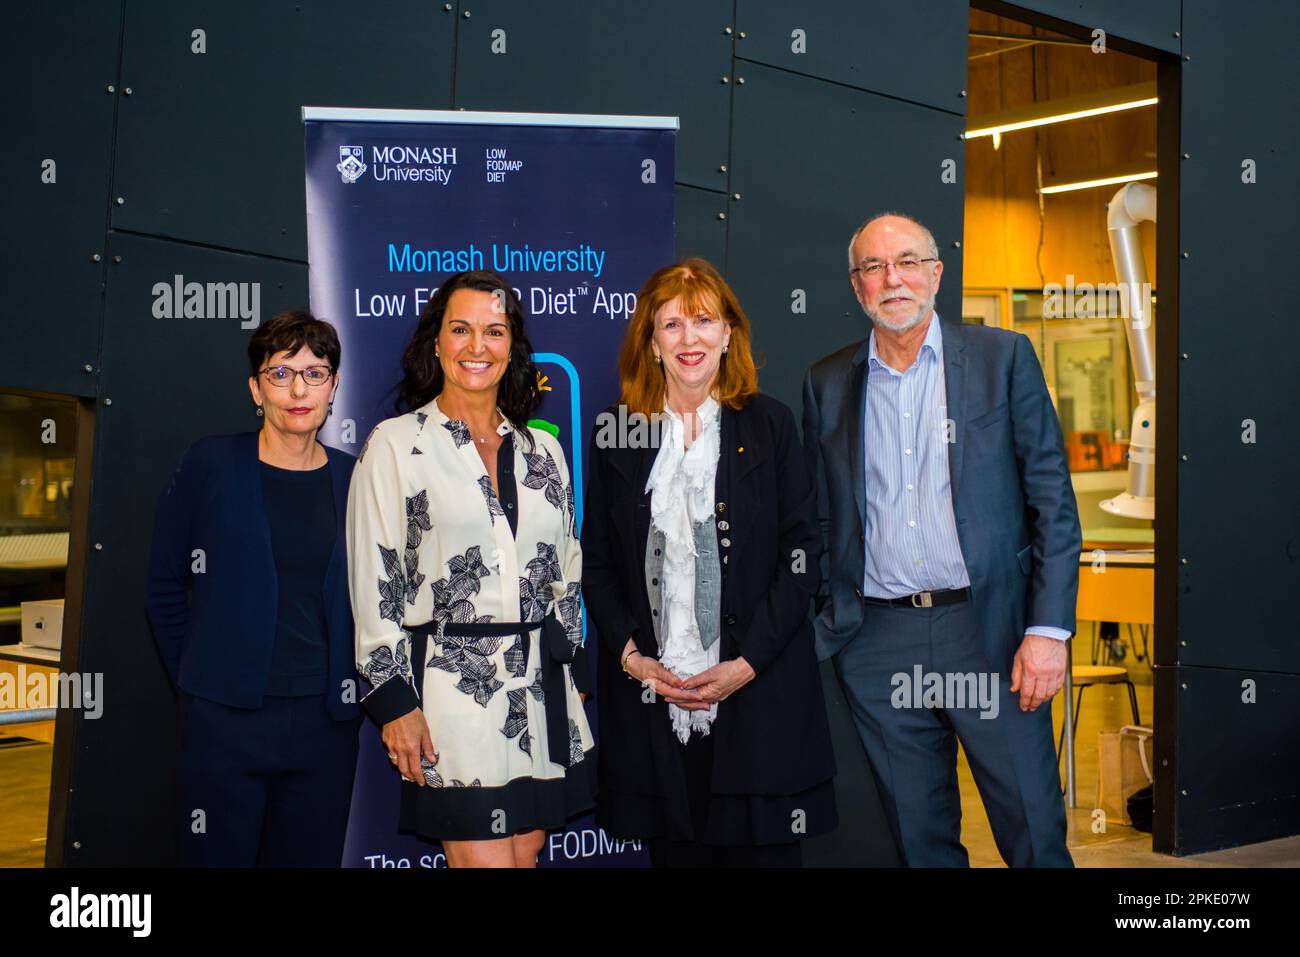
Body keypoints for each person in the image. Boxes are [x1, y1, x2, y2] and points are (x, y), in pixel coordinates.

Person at [803, 212, 1082, 867]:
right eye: (873, 267)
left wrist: (1049, 629)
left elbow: (1053, 502)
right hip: (876, 643)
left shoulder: (1001, 358)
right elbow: (819, 518)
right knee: (917, 843)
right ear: (856, 287)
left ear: (936, 272)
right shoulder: (827, 383)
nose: (891, 278)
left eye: (906, 261)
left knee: (1036, 837)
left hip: (989, 635)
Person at [583, 257, 836, 867]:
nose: (688, 339)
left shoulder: (770, 424)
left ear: (729, 335)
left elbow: (802, 556)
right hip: (654, 707)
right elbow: (595, 564)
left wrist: (744, 665)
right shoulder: (617, 431)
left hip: (758, 702)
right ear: (650, 343)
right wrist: (635, 661)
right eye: (670, 325)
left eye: (703, 322)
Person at [346, 270, 595, 868]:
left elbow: (565, 568)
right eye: (461, 330)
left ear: (512, 346)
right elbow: (374, 580)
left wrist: (572, 669)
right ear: (437, 342)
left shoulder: (543, 450)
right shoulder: (397, 444)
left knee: (525, 855)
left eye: (494, 331)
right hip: (450, 695)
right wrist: (393, 702)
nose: (477, 347)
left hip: (540, 690)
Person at [146, 309, 362, 866]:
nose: (298, 388)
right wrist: (200, 683)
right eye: (280, 372)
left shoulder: (356, 476)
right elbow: (164, 588)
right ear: (255, 388)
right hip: (225, 723)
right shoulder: (211, 463)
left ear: (334, 386)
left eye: (315, 372)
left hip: (326, 725)